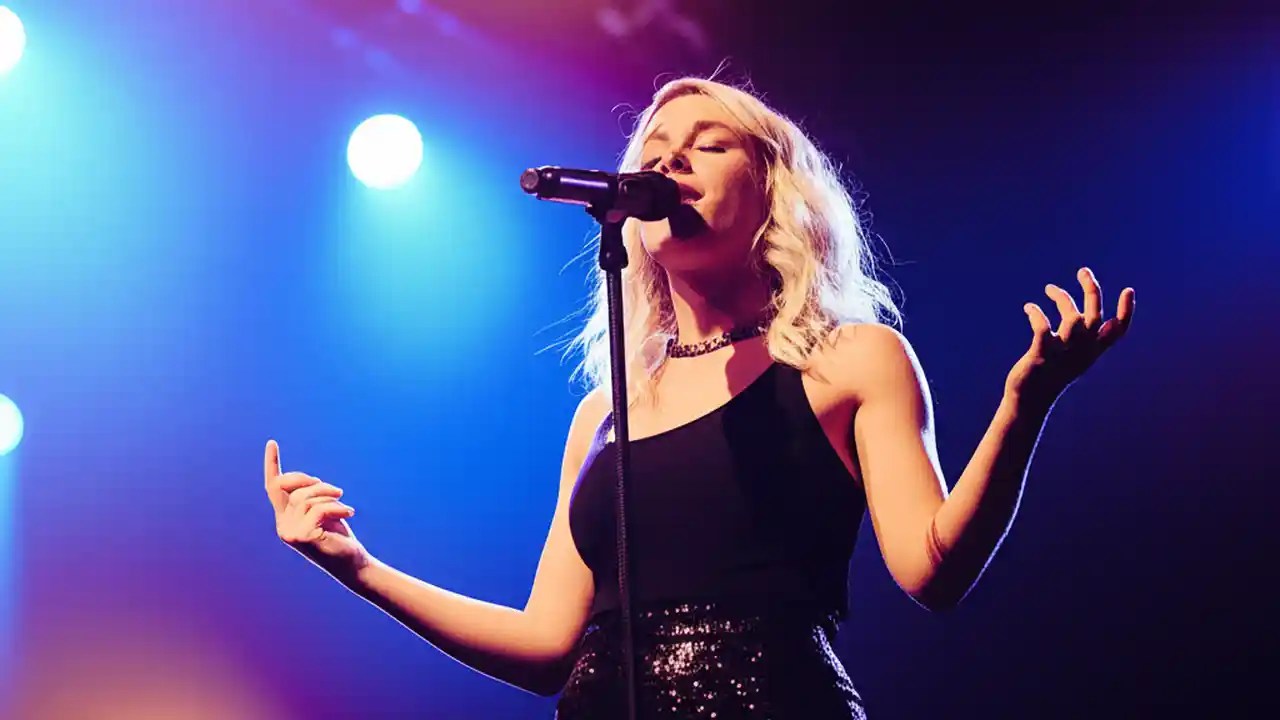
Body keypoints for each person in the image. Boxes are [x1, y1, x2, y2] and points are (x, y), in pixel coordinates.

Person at [262, 77, 1135, 718]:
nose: (669, 159)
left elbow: (933, 570)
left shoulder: (851, 360)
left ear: (774, 194)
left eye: (709, 144)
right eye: (653, 152)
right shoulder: (606, 412)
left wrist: (1025, 407)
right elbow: (545, 646)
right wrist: (360, 569)